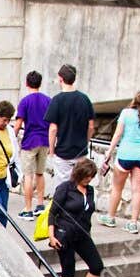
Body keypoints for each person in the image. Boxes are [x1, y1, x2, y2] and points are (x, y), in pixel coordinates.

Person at [48, 159, 105, 277]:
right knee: (68, 273)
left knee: (96, 266)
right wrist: (51, 236)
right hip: (65, 235)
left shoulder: (90, 191)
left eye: (91, 177)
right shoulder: (65, 188)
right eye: (87, 176)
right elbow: (53, 212)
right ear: (79, 174)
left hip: (83, 234)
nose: (89, 179)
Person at [101, 90, 140, 232]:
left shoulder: (126, 113)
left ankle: (110, 217)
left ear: (135, 100)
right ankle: (133, 223)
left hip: (125, 154)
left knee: (117, 188)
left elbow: (118, 134)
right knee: (137, 190)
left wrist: (109, 151)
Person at [44, 64, 96, 192]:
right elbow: (91, 126)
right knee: (80, 186)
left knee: (62, 188)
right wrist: (85, 141)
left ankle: (63, 211)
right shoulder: (85, 99)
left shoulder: (57, 100)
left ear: (60, 79)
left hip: (62, 152)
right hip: (80, 151)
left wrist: (51, 150)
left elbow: (53, 129)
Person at [15, 71, 52, 218]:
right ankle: (40, 204)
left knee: (28, 175)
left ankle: (28, 208)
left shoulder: (25, 101)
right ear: (40, 83)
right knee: (40, 173)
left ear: (26, 83)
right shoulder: (48, 100)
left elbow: (18, 124)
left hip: (30, 140)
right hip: (45, 140)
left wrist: (12, 137)